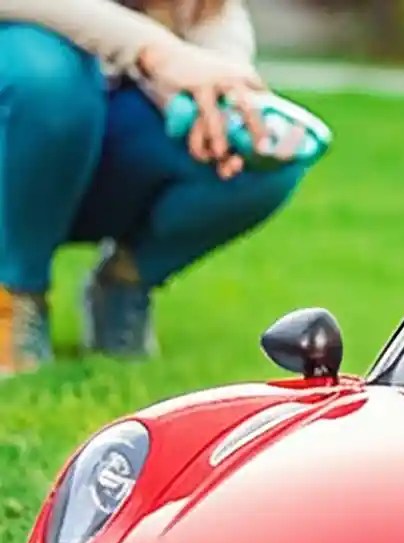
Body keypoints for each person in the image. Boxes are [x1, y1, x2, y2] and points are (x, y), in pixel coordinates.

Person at [0, 0, 311, 378]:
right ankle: (14, 295)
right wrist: (156, 51)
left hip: (95, 150)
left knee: (262, 151)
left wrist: (219, 94)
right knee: (46, 81)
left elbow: (215, 21)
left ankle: (123, 283)